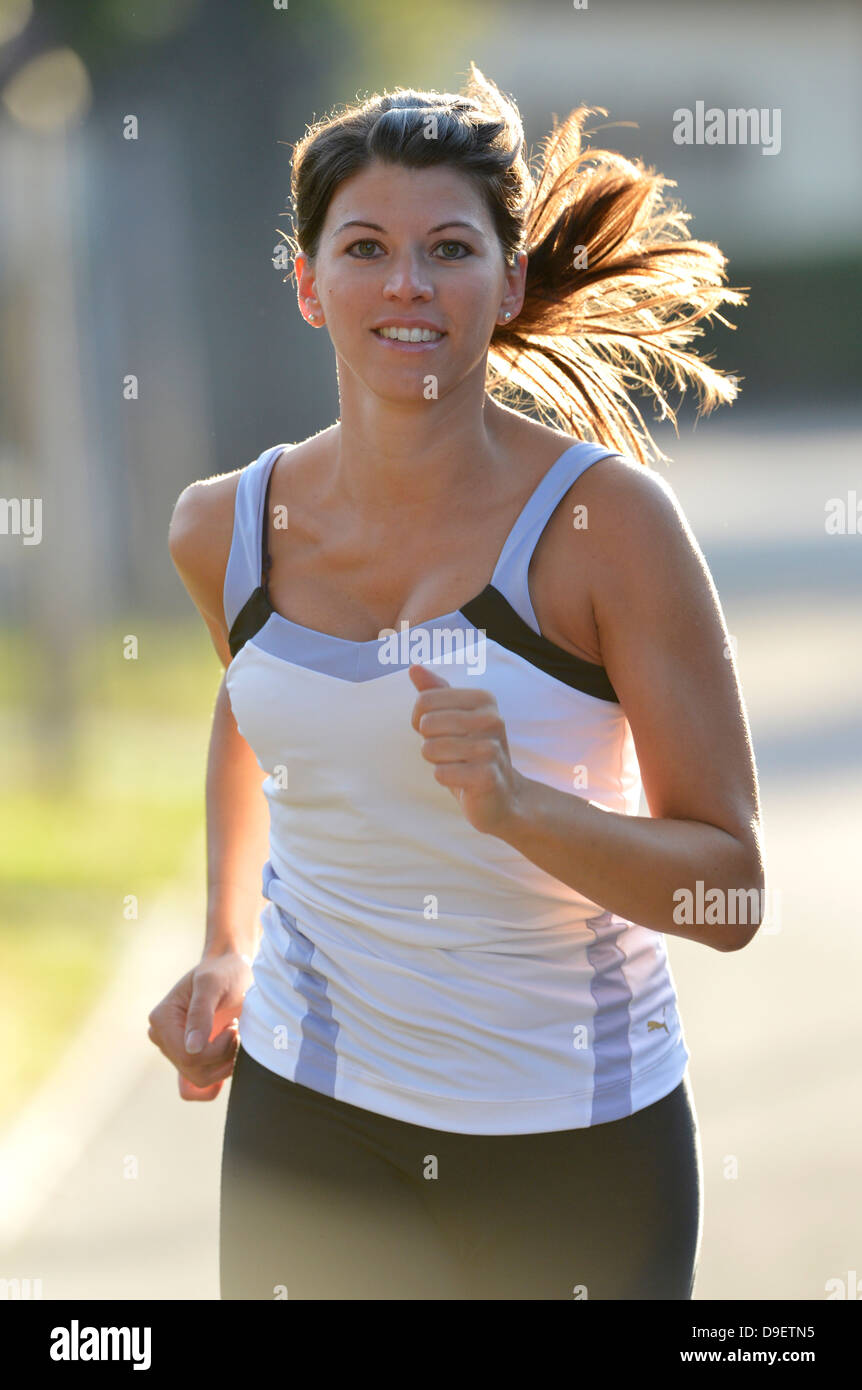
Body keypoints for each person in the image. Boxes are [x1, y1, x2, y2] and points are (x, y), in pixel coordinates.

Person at [147, 64, 764, 1300]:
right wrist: (224, 941)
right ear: (310, 284)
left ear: (509, 279)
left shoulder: (607, 527)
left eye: (449, 248)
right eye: (366, 246)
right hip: (310, 1120)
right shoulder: (227, 527)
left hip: (576, 1144)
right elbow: (259, 703)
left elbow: (730, 894)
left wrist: (524, 809)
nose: (409, 285)